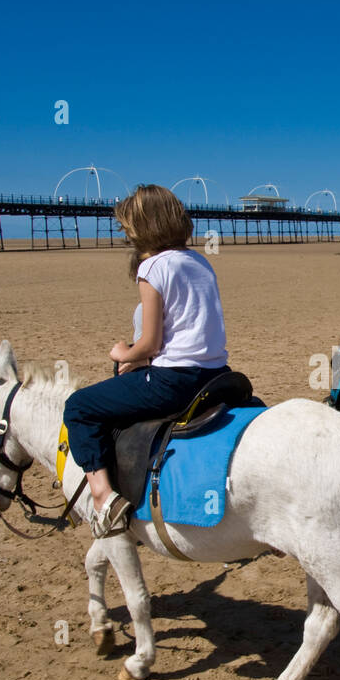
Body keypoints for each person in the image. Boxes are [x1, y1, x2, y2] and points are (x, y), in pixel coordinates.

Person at [62, 184, 231, 537]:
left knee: (79, 406)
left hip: (175, 382)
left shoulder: (151, 267)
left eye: (128, 226)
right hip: (216, 376)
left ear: (142, 226)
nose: (125, 234)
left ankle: (103, 497)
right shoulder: (200, 261)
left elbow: (150, 343)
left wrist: (124, 352)